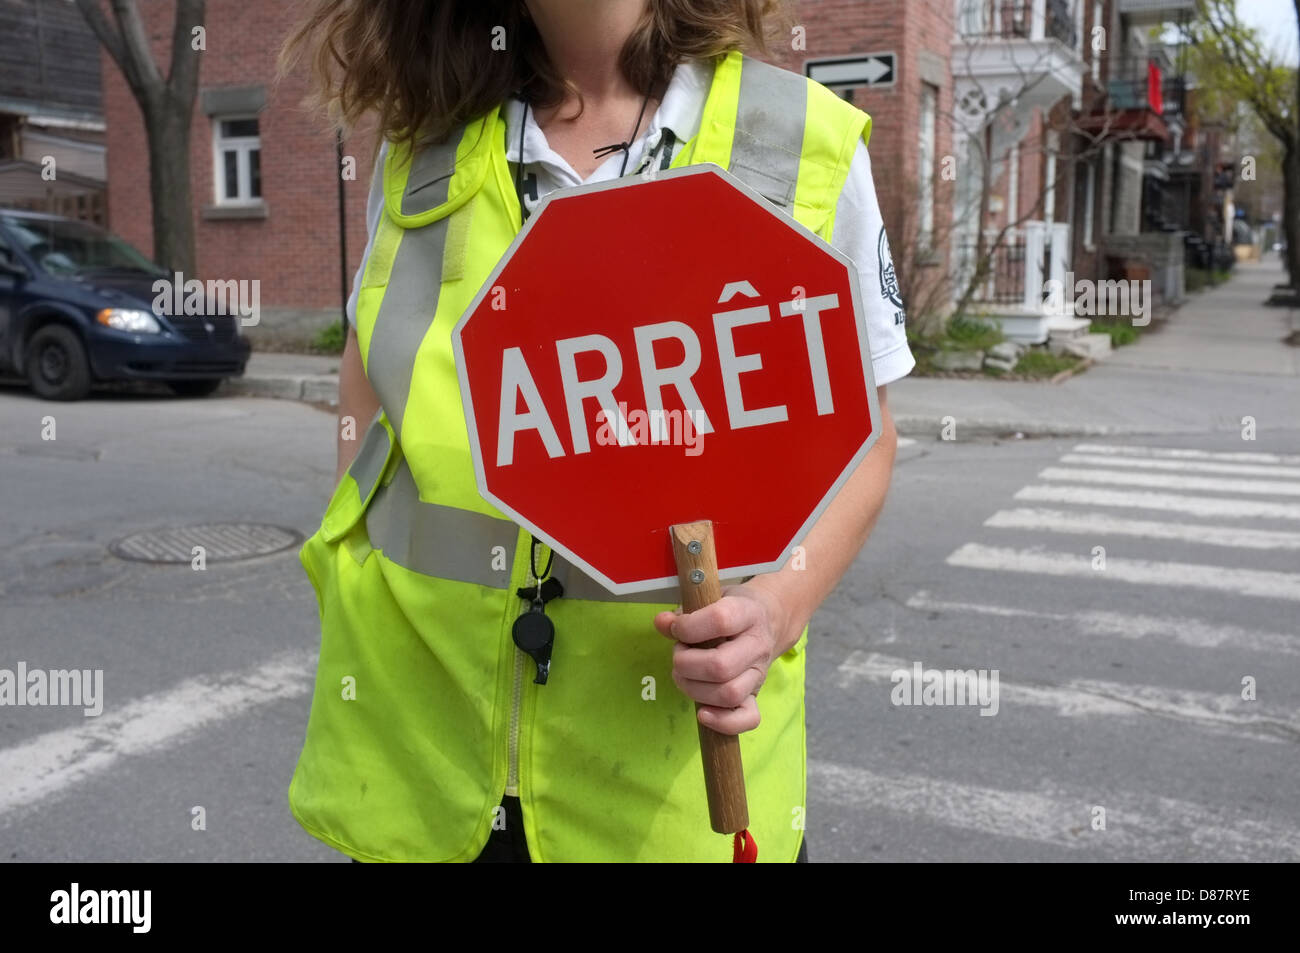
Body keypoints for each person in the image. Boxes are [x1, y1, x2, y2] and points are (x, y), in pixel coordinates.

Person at [282, 0, 914, 863]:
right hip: (421, 775)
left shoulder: (795, 143)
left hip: (664, 802)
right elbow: (369, 385)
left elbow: (866, 439)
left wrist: (776, 608)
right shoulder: (423, 147)